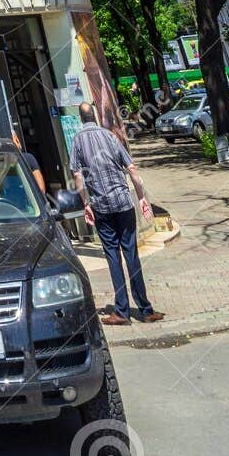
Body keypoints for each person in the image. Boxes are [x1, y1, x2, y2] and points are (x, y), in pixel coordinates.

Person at [70, 102, 164, 326]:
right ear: (93, 115)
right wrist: (141, 198)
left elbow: (77, 176)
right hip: (123, 203)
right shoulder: (111, 136)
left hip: (102, 206)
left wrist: (86, 204)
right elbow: (131, 169)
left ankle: (121, 311)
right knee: (131, 254)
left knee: (113, 256)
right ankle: (145, 309)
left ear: (81, 118)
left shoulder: (78, 140)